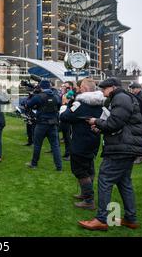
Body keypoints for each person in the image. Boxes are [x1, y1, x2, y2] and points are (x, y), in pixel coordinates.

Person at [79, 78, 142, 231]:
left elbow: (115, 123)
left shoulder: (120, 98)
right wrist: (101, 127)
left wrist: (96, 121)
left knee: (105, 178)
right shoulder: (123, 97)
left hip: (122, 147)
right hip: (126, 146)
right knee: (124, 182)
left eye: (104, 89)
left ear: (113, 87)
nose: (102, 92)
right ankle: (130, 218)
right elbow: (119, 123)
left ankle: (101, 219)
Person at [60, 78, 105, 210]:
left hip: (80, 141)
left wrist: (65, 104)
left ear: (84, 89)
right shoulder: (101, 103)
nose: (78, 90)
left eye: (80, 88)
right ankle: (85, 194)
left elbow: (65, 117)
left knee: (79, 170)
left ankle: (89, 200)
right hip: (94, 140)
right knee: (89, 167)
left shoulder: (80, 104)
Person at [25, 80, 62, 171]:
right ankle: (59, 167)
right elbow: (59, 106)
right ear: (49, 86)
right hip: (52, 123)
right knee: (55, 145)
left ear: (41, 87)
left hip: (41, 123)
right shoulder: (56, 96)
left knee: (37, 145)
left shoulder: (38, 97)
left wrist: (32, 98)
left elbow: (28, 105)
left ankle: (34, 164)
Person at [129, 82, 142, 165]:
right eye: (132, 88)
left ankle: (140, 157)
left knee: (139, 139)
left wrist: (134, 96)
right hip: (137, 121)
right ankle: (136, 155)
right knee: (135, 139)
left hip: (140, 121)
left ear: (138, 88)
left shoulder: (141, 96)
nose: (132, 90)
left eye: (134, 88)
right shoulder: (137, 96)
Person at [60, 81, 75, 161]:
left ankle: (70, 154)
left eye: (66, 86)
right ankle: (66, 153)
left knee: (69, 136)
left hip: (69, 115)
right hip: (63, 115)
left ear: (70, 87)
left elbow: (71, 103)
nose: (64, 87)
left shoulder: (72, 93)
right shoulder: (64, 94)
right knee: (65, 136)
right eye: (63, 86)